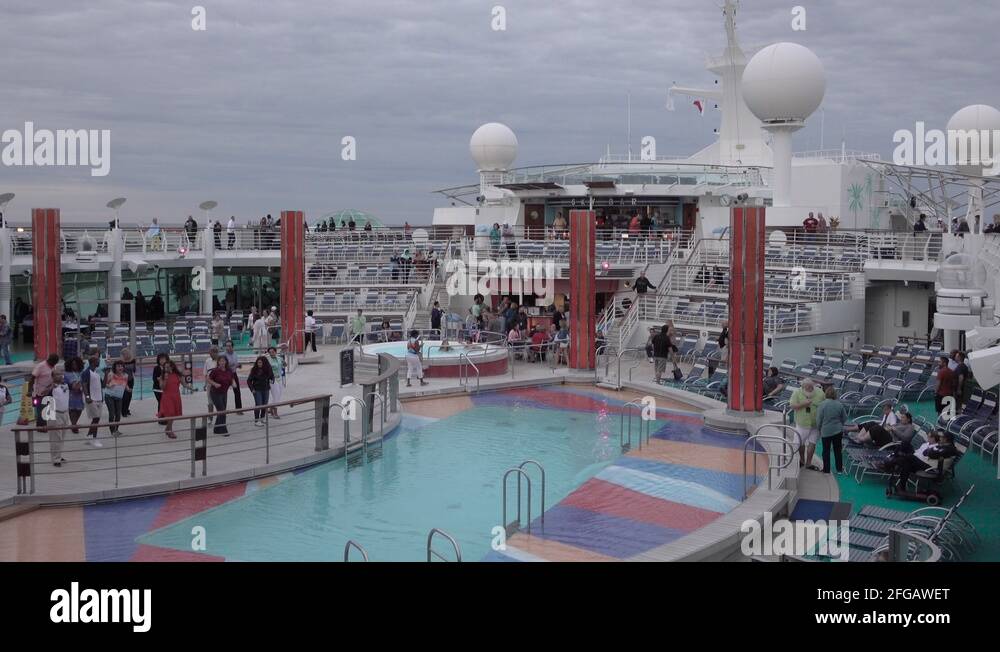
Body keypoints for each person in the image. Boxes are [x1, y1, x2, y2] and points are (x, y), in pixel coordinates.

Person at [884, 431, 958, 493]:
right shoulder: (943, 446)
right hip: (927, 463)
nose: (940, 438)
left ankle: (890, 463)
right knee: (906, 464)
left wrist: (932, 451)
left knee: (910, 457)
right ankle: (902, 488)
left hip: (932, 468)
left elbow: (932, 454)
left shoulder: (950, 449)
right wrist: (932, 451)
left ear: (946, 439)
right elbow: (926, 452)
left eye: (941, 437)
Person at [790, 378, 825, 470]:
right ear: (803, 386)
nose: (809, 388)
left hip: (816, 423)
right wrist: (803, 404)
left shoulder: (820, 393)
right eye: (807, 387)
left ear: (813, 385)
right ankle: (802, 460)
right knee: (800, 443)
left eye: (810, 387)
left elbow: (824, 406)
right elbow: (792, 406)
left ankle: (808, 463)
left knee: (812, 443)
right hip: (802, 423)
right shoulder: (797, 392)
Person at [157, 360, 192, 439]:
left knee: (174, 414)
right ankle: (170, 430)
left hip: (176, 397)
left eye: (168, 367)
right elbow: (162, 387)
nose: (166, 368)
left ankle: (167, 429)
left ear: (172, 367)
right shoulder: (162, 376)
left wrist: (192, 389)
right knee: (171, 413)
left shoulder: (177, 375)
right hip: (167, 397)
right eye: (165, 367)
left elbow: (184, 384)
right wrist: (165, 379)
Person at [816, 386, 847, 474]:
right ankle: (839, 469)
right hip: (837, 430)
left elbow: (819, 419)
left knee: (826, 450)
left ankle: (826, 469)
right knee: (837, 450)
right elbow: (844, 418)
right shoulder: (839, 404)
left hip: (826, 431)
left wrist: (819, 428)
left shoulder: (822, 405)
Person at [206, 356, 237, 436]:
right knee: (223, 411)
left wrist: (233, 383)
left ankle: (216, 428)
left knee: (221, 411)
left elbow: (232, 378)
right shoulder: (215, 371)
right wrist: (215, 384)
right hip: (215, 393)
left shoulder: (229, 371)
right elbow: (208, 379)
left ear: (226, 362)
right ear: (218, 362)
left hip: (224, 393)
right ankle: (223, 429)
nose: (222, 363)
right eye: (220, 361)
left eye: (223, 361)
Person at [46, 370, 71, 467]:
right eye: (56, 374)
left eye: (60, 374)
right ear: (52, 377)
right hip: (54, 413)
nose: (59, 376)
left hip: (65, 413)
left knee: (62, 437)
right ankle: (56, 459)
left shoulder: (65, 385)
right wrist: (50, 388)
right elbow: (43, 395)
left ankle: (59, 455)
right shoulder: (51, 387)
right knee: (55, 438)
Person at [30, 353, 60, 427]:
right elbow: (32, 378)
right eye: (53, 363)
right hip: (40, 391)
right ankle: (41, 425)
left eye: (55, 363)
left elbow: (54, 377)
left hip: (50, 389)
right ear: (50, 360)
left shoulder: (53, 366)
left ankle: (48, 424)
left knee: (50, 408)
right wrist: (29, 390)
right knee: (41, 409)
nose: (54, 365)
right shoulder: (41, 366)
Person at [81, 356, 104, 447]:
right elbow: (84, 384)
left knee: (96, 419)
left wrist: (106, 374)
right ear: (93, 362)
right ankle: (94, 438)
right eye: (97, 360)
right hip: (92, 399)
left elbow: (103, 385)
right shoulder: (86, 372)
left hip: (99, 398)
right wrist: (87, 396)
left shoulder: (97, 373)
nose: (99, 362)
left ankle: (89, 436)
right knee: (96, 418)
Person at [246, 355, 275, 426]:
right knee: (258, 404)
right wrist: (252, 389)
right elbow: (249, 381)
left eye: (260, 363)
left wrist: (272, 380)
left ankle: (262, 418)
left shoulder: (268, 369)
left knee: (265, 404)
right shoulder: (254, 369)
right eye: (258, 362)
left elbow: (272, 376)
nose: (259, 364)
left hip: (266, 389)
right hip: (257, 390)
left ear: (264, 363)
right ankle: (256, 420)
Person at [104, 361, 129, 435]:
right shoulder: (111, 374)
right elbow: (105, 384)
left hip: (119, 397)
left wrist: (128, 389)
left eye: (121, 366)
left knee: (118, 415)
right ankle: (112, 431)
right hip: (109, 396)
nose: (120, 367)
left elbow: (125, 384)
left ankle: (116, 429)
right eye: (118, 366)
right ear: (115, 367)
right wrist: (110, 386)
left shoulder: (126, 375)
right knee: (112, 414)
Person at [63, 357, 85, 433]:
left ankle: (74, 424)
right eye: (73, 364)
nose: (74, 366)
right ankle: (74, 425)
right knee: (72, 410)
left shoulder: (81, 372)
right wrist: (72, 386)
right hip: (71, 394)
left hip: (80, 394)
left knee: (79, 410)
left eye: (76, 364)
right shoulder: (66, 373)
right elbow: (64, 384)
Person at [223, 340, 243, 410]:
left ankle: (239, 409)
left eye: (229, 346)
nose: (228, 347)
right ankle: (222, 409)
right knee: (223, 391)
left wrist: (238, 365)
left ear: (232, 347)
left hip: (233, 374)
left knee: (237, 391)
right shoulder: (223, 355)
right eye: (227, 346)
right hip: (225, 374)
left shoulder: (235, 354)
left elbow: (235, 364)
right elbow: (222, 365)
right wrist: (231, 365)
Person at [266, 346, 284, 418]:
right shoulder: (267, 359)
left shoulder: (279, 358)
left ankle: (270, 408)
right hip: (272, 379)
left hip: (279, 378)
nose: (271, 353)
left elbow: (283, 365)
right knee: (276, 395)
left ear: (275, 352)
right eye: (270, 352)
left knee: (279, 395)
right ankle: (275, 411)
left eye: (273, 352)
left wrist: (284, 364)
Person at [119, 348, 136, 417]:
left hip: (131, 380)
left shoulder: (133, 361)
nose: (126, 355)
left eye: (127, 353)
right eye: (124, 354)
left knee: (129, 396)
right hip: (123, 380)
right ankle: (123, 411)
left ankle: (126, 409)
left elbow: (134, 370)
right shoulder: (121, 362)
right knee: (124, 396)